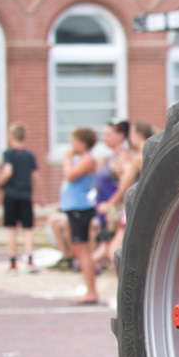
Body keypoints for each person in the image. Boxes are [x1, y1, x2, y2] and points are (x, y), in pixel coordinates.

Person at [58, 127, 101, 305]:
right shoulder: (82, 159)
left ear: (82, 143)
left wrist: (68, 158)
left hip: (80, 209)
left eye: (74, 141)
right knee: (78, 249)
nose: (72, 145)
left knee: (82, 250)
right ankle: (89, 289)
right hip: (73, 208)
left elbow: (70, 175)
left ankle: (91, 291)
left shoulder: (88, 160)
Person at [105, 121, 154, 271]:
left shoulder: (139, 157)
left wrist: (121, 169)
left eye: (131, 134)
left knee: (114, 252)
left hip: (133, 210)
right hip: (142, 208)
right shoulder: (150, 153)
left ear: (138, 136)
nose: (129, 138)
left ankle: (125, 292)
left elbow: (126, 185)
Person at [0, 123, 42, 273]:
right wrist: (40, 195)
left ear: (11, 136)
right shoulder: (29, 155)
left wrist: (0, 182)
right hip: (26, 196)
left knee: (12, 230)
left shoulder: (8, 154)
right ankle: (30, 261)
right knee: (28, 229)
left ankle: (13, 263)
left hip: (11, 195)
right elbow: (35, 176)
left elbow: (7, 171)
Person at [91, 120, 129, 271]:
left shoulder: (123, 156)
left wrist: (110, 204)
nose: (104, 138)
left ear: (120, 135)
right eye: (103, 134)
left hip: (115, 210)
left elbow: (125, 185)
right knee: (105, 247)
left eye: (108, 134)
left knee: (111, 250)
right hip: (104, 210)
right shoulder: (111, 156)